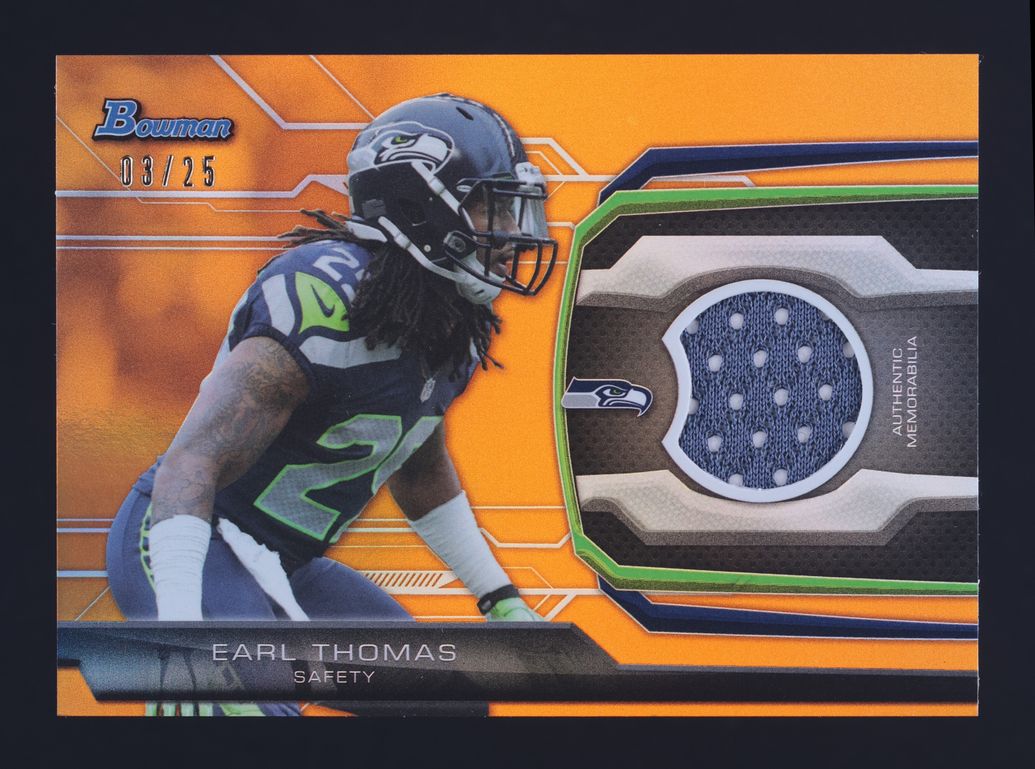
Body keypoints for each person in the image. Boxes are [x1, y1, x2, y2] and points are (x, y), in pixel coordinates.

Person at [104, 93, 559, 716]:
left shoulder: (448, 318)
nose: (510, 231)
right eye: (491, 204)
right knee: (257, 714)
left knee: (449, 708)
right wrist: (183, 631)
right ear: (419, 203)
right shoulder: (322, 299)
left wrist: (499, 598)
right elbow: (193, 463)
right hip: (189, 541)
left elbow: (419, 467)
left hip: (290, 564)